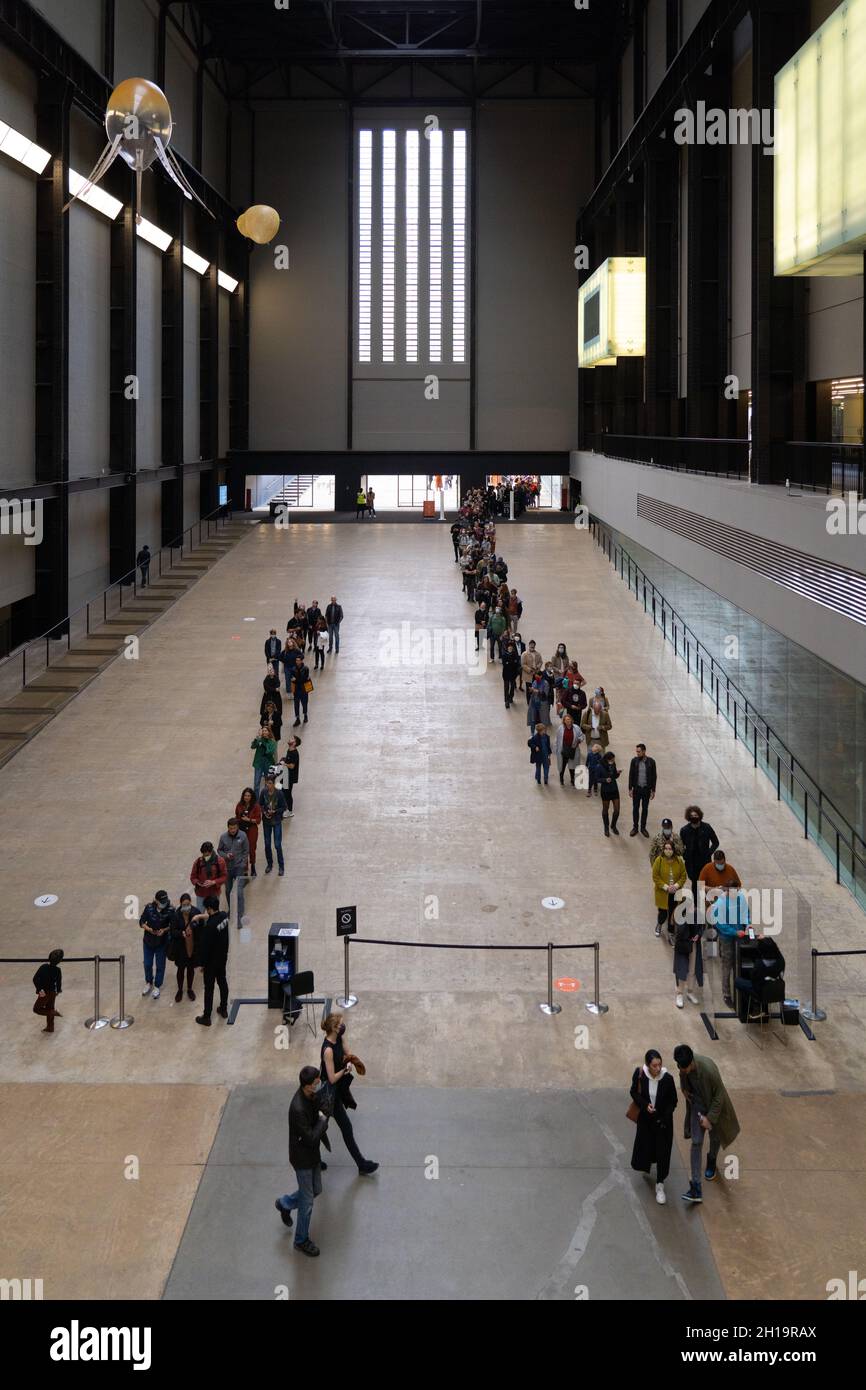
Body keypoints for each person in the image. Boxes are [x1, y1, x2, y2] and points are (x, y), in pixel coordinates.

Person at [673, 1044, 740, 1202]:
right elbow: (682, 1076)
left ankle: (711, 1160)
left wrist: (709, 1118)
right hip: (697, 1105)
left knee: (715, 1137)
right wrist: (683, 1089)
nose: (682, 1070)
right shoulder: (683, 1066)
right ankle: (696, 1187)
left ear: (692, 1062)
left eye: (685, 1068)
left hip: (714, 1108)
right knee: (696, 1143)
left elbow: (720, 1095)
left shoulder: (709, 1069)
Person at [275, 1065, 331, 1257]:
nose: (319, 1084)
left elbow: (323, 1109)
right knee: (307, 1203)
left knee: (316, 1190)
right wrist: (323, 1122)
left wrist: (324, 1112)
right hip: (302, 1158)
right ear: (307, 1085)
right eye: (316, 1083)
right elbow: (311, 1138)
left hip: (312, 1154)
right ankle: (301, 1240)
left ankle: (285, 1203)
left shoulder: (311, 1096)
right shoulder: (297, 1109)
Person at [320, 1013, 379, 1176]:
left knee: (322, 1127)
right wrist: (345, 1070)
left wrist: (350, 1060)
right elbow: (331, 1078)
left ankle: (360, 1163)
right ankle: (361, 1163)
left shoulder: (339, 1039)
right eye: (340, 1024)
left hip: (337, 1091)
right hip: (328, 1094)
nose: (343, 1026)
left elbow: (347, 1052)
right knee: (323, 1128)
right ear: (334, 1028)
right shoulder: (328, 1051)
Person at [629, 1049, 678, 1205]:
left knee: (663, 1152)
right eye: (654, 1065)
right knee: (646, 1147)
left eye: (659, 1064)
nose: (657, 1068)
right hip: (646, 1121)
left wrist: (663, 1116)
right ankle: (646, 1165)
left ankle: (660, 1184)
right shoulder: (640, 1075)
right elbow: (633, 1092)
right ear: (647, 1065)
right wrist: (645, 1106)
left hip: (663, 1123)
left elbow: (673, 1101)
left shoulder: (667, 1079)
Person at [708, 884, 751, 1008]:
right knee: (727, 964)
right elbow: (720, 924)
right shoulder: (720, 904)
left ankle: (740, 989)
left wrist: (747, 924)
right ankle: (726, 994)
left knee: (739, 964)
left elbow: (745, 912)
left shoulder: (741, 898)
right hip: (727, 938)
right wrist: (734, 932)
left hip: (739, 936)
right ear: (726, 891)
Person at [193, 895, 230, 1027]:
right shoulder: (224, 916)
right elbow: (214, 917)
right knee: (222, 982)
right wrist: (201, 917)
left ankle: (207, 1017)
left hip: (211, 962)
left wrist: (202, 964)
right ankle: (224, 1008)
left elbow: (204, 948)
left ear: (208, 908)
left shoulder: (209, 928)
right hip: (222, 958)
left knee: (209, 989)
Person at [680, 806, 719, 921]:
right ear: (688, 817)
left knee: (705, 884)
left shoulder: (706, 828)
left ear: (700, 816)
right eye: (692, 816)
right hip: (691, 863)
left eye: (696, 816)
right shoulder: (684, 830)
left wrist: (709, 853)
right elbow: (680, 845)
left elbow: (716, 842)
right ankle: (696, 907)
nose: (694, 818)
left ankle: (707, 907)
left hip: (704, 862)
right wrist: (685, 854)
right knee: (695, 884)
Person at [734, 934, 785, 1020]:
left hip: (762, 992)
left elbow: (753, 979)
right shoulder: (781, 961)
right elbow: (776, 950)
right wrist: (766, 940)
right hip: (777, 990)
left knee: (738, 981)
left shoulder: (760, 965)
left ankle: (754, 1006)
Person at [139, 889, 173, 997]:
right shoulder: (149, 908)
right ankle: (149, 982)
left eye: (165, 902)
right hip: (148, 942)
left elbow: (173, 925)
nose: (164, 904)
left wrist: (164, 930)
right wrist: (149, 929)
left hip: (161, 943)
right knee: (147, 964)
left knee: (160, 965)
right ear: (156, 901)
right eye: (162, 902)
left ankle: (157, 986)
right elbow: (141, 922)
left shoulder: (170, 910)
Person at [218, 817, 250, 928]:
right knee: (227, 890)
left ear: (237, 827)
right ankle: (232, 909)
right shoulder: (223, 837)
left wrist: (243, 862)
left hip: (239, 868)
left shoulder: (243, 836)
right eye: (231, 828)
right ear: (228, 828)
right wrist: (225, 856)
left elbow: (246, 850)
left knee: (239, 892)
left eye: (234, 828)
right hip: (227, 868)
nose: (233, 830)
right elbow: (219, 850)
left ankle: (240, 916)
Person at [672, 899, 703, 1009]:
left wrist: (698, 935)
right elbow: (680, 932)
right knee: (681, 969)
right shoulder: (679, 916)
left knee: (692, 969)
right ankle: (679, 994)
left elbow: (701, 927)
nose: (693, 908)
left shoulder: (697, 914)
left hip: (693, 945)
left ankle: (690, 991)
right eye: (691, 907)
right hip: (683, 946)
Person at [652, 842, 687, 939]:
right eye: (666, 849)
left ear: (673, 850)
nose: (668, 851)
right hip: (663, 893)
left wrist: (676, 886)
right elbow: (655, 877)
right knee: (663, 912)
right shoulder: (658, 861)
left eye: (670, 849)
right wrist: (666, 887)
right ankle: (659, 924)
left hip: (676, 892)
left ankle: (671, 932)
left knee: (673, 912)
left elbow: (683, 876)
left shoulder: (679, 861)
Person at [170, 894, 197, 1002]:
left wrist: (193, 928)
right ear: (180, 904)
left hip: (192, 946)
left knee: (190, 969)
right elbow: (173, 931)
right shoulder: (176, 915)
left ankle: (190, 989)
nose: (186, 906)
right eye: (184, 905)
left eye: (188, 904)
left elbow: (199, 926)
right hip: (181, 947)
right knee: (181, 969)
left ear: (191, 902)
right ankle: (180, 990)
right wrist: (181, 933)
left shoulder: (195, 912)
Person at [259, 774, 288, 875]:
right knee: (267, 844)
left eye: (270, 783)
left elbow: (284, 807)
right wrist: (265, 812)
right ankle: (269, 864)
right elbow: (260, 804)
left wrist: (275, 811)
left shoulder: (279, 794)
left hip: (276, 821)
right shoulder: (263, 792)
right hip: (266, 822)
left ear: (274, 783)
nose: (268, 785)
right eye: (267, 783)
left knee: (277, 845)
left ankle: (281, 866)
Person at [628, 744, 657, 838]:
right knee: (635, 809)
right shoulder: (634, 761)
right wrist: (630, 788)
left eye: (639, 751)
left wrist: (653, 790)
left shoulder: (651, 762)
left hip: (646, 790)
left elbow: (654, 777)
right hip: (636, 789)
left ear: (644, 751)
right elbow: (631, 775)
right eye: (636, 751)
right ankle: (635, 827)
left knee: (645, 809)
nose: (637, 753)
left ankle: (643, 828)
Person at [190, 841, 227, 912]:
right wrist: (197, 883)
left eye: (207, 855)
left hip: (214, 893)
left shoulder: (220, 861)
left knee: (214, 915)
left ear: (211, 852)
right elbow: (193, 877)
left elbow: (224, 877)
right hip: (201, 893)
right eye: (203, 855)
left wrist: (214, 882)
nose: (205, 857)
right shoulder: (198, 862)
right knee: (200, 914)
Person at [33, 949, 64, 1034]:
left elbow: (35, 979)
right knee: (50, 1007)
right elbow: (59, 982)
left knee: (36, 1009)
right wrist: (58, 990)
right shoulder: (58, 970)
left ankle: (52, 1013)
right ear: (60, 961)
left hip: (44, 992)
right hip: (52, 992)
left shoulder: (43, 967)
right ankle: (50, 1027)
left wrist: (40, 990)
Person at [235, 788, 262, 877]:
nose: (246, 797)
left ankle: (253, 865)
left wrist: (249, 819)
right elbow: (237, 816)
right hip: (242, 830)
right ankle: (245, 868)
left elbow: (258, 820)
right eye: (245, 795)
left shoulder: (256, 806)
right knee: (243, 849)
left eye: (249, 796)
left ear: (252, 797)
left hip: (252, 830)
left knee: (251, 849)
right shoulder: (239, 805)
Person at [555, 712, 584, 786]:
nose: (568, 721)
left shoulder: (576, 728)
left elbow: (581, 736)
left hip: (572, 750)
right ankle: (561, 779)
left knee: (572, 767)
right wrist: (556, 749)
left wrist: (578, 741)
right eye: (566, 720)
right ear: (564, 721)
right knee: (562, 766)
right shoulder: (560, 728)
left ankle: (572, 780)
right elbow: (557, 739)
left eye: (569, 719)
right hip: (563, 750)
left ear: (571, 720)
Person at [251, 724, 277, 795]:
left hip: (268, 764)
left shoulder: (272, 742)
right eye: (263, 731)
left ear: (269, 732)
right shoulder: (259, 739)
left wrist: (262, 744)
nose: (264, 732)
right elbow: (252, 746)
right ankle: (256, 801)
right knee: (256, 784)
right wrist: (256, 739)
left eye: (265, 731)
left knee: (267, 784)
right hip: (258, 763)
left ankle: (265, 799)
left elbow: (269, 752)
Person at [599, 751, 621, 836]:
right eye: (612, 760)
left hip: (614, 789)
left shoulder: (613, 763)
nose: (613, 761)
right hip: (605, 791)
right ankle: (606, 827)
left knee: (617, 810)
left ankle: (613, 825)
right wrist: (605, 780)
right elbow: (596, 778)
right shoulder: (600, 766)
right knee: (605, 809)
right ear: (607, 759)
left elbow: (614, 775)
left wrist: (617, 773)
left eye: (613, 760)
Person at [280, 736, 300, 815]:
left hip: (290, 777)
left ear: (294, 743)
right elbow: (289, 761)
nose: (289, 739)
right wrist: (284, 760)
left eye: (292, 739)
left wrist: (284, 763)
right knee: (282, 790)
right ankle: (285, 808)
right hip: (285, 775)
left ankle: (290, 811)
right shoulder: (289, 750)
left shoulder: (294, 753)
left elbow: (292, 766)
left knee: (287, 793)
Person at [501, 638, 520, 708]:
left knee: (512, 687)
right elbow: (505, 664)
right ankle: (506, 701)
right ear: (507, 648)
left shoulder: (515, 655)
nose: (510, 648)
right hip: (506, 674)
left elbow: (516, 663)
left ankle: (511, 697)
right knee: (506, 688)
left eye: (511, 648)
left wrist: (509, 663)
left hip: (513, 674)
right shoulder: (504, 655)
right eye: (509, 647)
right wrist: (512, 663)